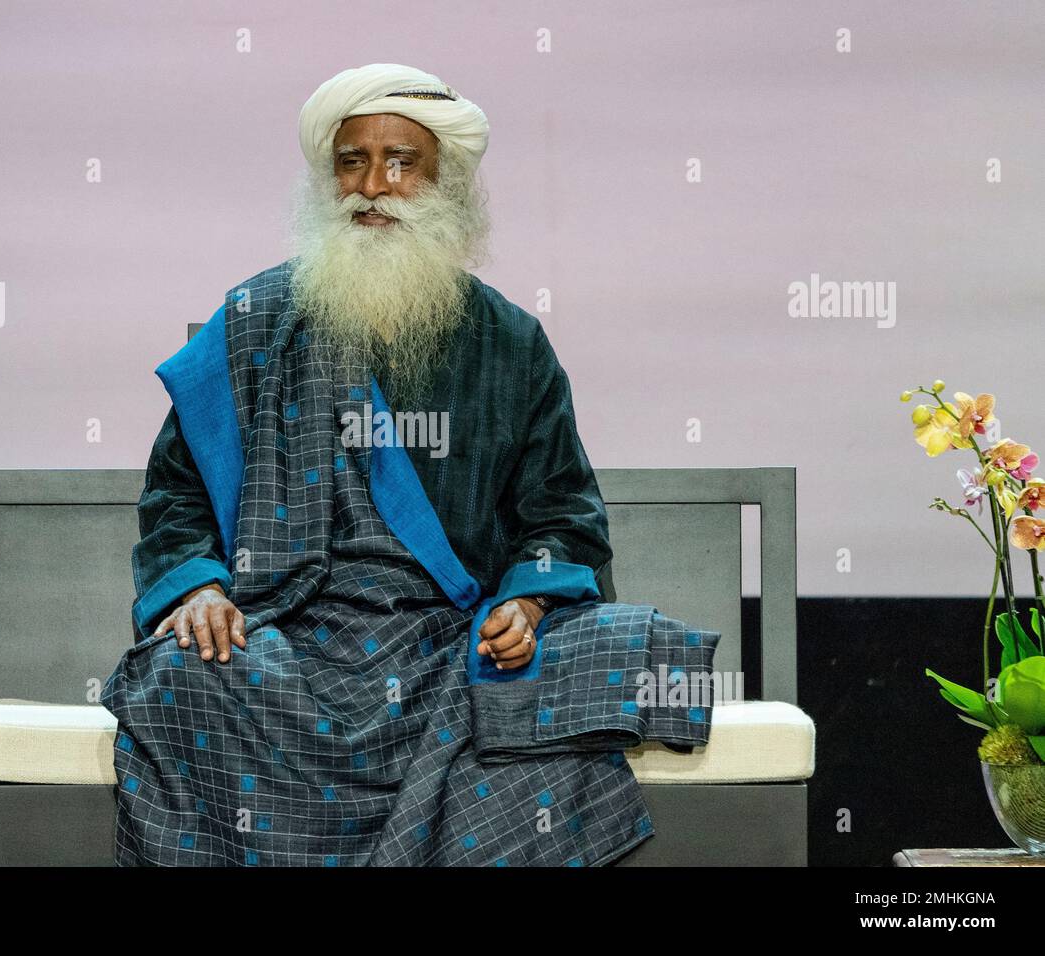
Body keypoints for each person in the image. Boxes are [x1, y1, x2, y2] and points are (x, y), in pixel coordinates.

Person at [103, 63, 719, 866]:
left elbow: (563, 514)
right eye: (352, 161)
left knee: (628, 647)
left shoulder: (508, 342)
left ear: (446, 186)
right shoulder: (252, 322)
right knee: (179, 676)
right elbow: (176, 494)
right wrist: (200, 587)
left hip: (451, 634)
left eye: (401, 161)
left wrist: (526, 608)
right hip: (281, 635)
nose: (373, 185)